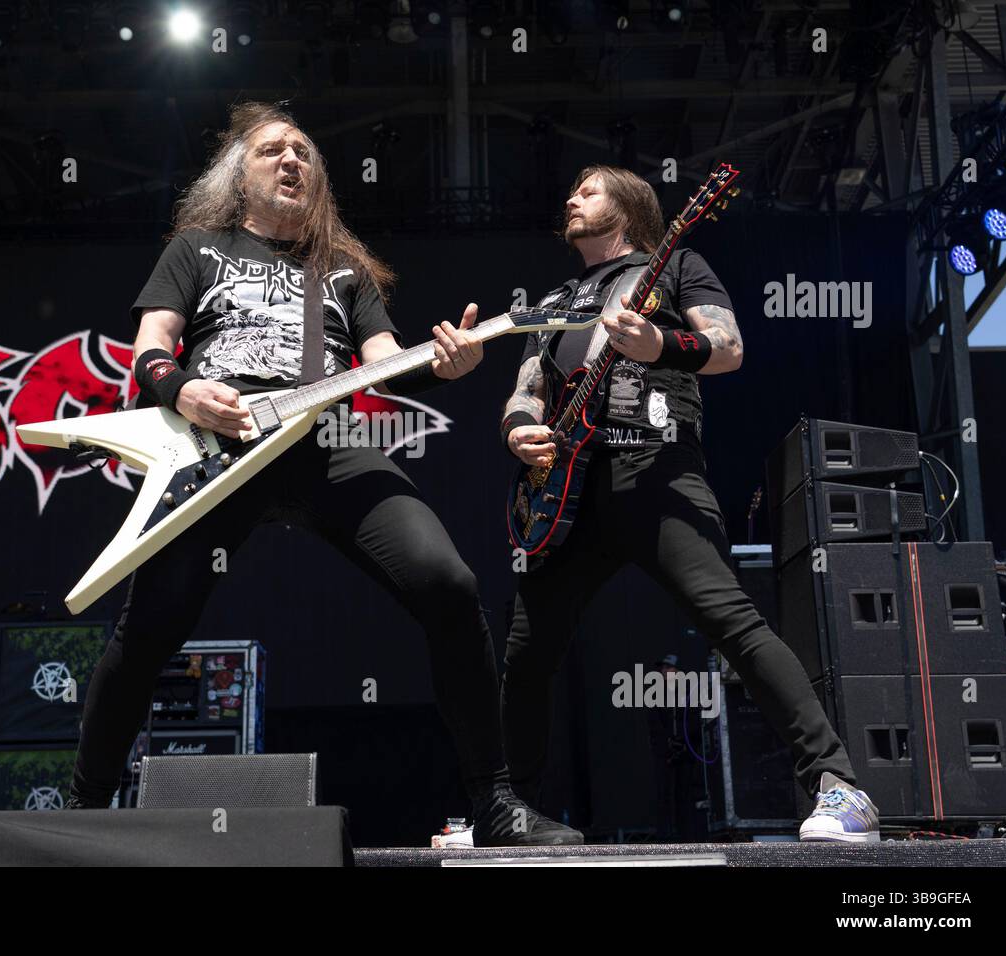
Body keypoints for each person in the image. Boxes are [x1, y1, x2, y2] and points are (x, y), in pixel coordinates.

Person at [64, 101, 582, 846]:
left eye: (305, 152)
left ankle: (497, 805)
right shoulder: (197, 248)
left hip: (324, 438)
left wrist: (448, 363)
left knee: (450, 583)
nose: (293, 160)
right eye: (274, 149)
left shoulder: (341, 269)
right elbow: (151, 343)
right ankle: (84, 814)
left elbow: (384, 362)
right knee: (148, 629)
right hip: (220, 441)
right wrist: (180, 389)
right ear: (238, 176)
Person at [497, 164, 880, 843]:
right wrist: (517, 427)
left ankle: (838, 785)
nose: (570, 197)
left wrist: (661, 344)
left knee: (732, 624)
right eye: (572, 190)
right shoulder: (555, 297)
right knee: (528, 651)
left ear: (627, 207)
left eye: (586, 190)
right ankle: (510, 809)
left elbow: (729, 348)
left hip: (656, 468)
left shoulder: (678, 265)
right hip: (567, 490)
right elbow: (531, 383)